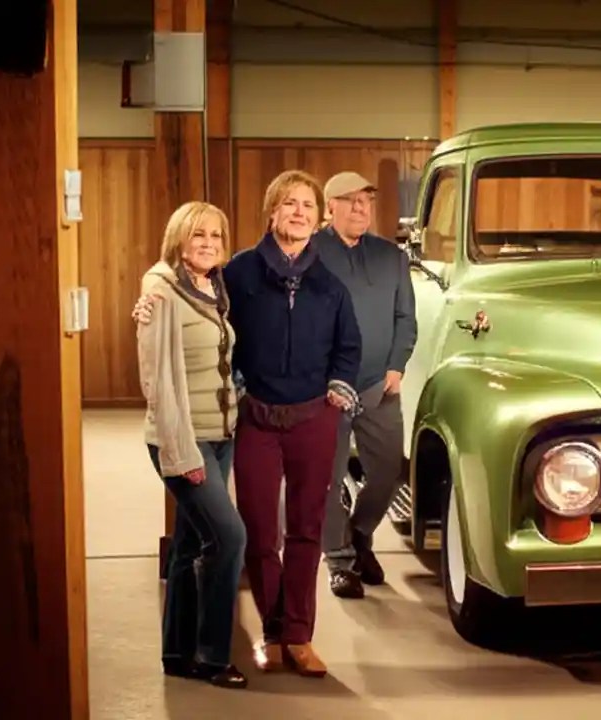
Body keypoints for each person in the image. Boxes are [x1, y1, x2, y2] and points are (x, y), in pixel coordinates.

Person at [226, 170, 362, 675]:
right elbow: (212, 321)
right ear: (272, 213)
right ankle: (273, 631)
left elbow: (348, 348)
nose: (299, 212)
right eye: (289, 204)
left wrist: (335, 394)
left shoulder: (330, 285)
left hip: (313, 420)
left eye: (308, 204)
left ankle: (299, 637)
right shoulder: (238, 273)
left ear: (319, 216)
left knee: (306, 530)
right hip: (256, 419)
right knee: (261, 532)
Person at [136, 201, 247, 689]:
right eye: (198, 235)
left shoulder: (213, 286)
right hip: (185, 440)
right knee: (229, 538)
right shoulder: (161, 291)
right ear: (178, 238)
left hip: (220, 435)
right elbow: (157, 382)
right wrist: (181, 455)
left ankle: (177, 652)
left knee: (187, 544)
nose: (208, 244)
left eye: (217, 236)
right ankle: (212, 655)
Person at [313, 171, 418, 600]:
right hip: (327, 392)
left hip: (380, 387)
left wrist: (397, 365)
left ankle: (359, 534)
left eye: (366, 201)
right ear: (329, 207)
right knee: (327, 480)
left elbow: (405, 318)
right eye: (350, 200)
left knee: (388, 474)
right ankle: (339, 561)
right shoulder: (310, 253)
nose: (360, 208)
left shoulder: (390, 256)